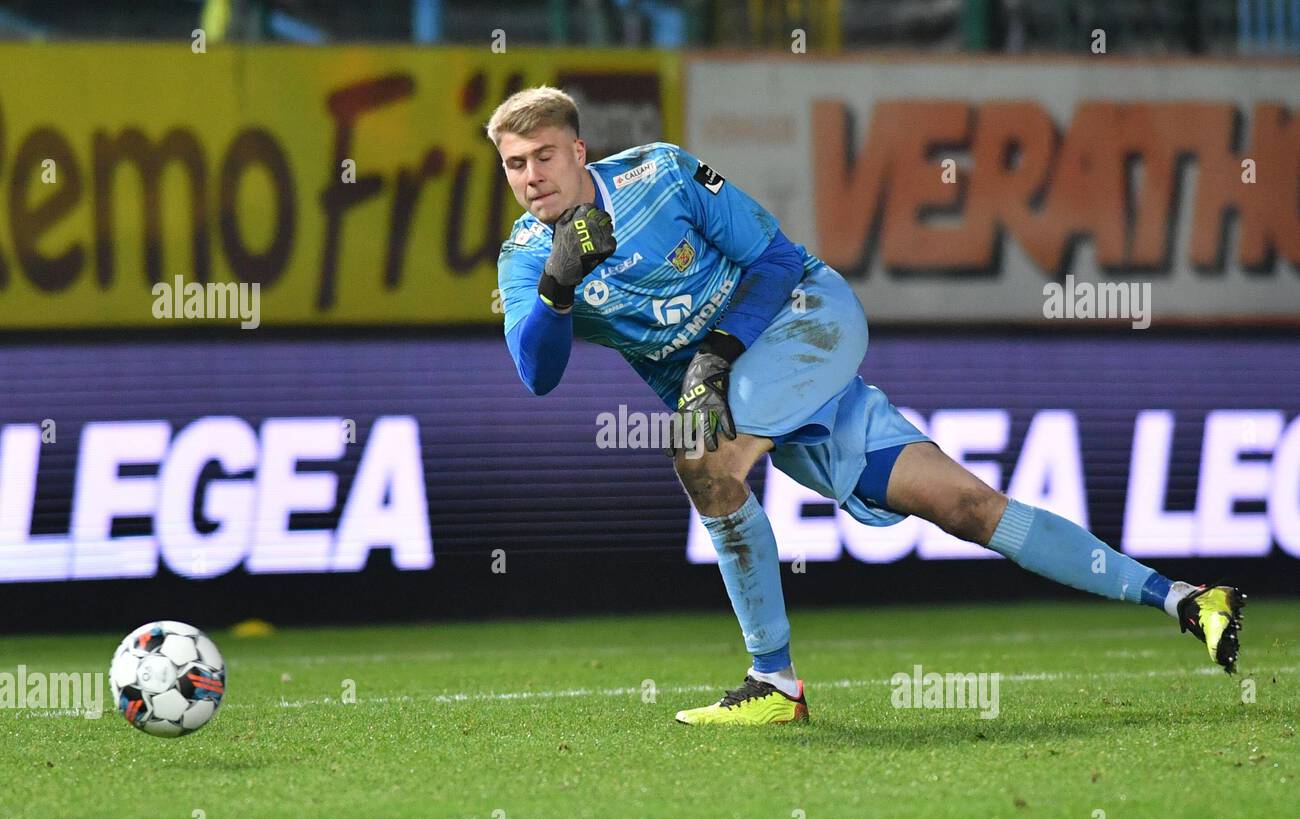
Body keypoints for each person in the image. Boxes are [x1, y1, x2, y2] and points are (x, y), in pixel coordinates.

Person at [488, 86, 1244, 726]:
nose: (531, 176)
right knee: (967, 506)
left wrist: (716, 351)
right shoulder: (525, 258)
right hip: (755, 390)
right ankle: (1187, 599)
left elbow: (780, 260)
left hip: (805, 318)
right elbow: (537, 373)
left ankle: (774, 680)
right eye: (515, 164)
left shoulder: (662, 175)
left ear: (579, 153)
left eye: (544, 156)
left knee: (700, 453)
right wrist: (558, 284)